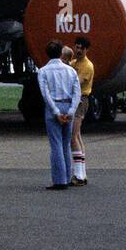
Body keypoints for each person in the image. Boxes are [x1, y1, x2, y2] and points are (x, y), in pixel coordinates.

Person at [38, 40, 81, 191]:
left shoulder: (43, 71)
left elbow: (45, 94)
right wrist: (70, 112)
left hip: (53, 106)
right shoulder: (71, 71)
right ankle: (68, 177)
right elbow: (77, 93)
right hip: (68, 105)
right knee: (66, 143)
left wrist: (56, 112)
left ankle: (59, 180)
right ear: (61, 53)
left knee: (56, 144)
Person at [70, 36, 95, 186]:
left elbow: (75, 83)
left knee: (73, 136)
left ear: (86, 50)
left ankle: (79, 175)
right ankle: (81, 173)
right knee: (77, 135)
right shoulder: (74, 63)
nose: (78, 50)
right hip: (75, 99)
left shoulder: (87, 66)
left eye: (81, 48)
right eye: (77, 47)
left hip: (81, 100)